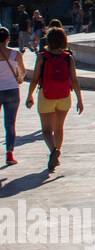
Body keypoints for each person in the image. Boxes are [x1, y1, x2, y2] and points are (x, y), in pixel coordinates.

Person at [26, 26, 83, 171]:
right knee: (59, 128)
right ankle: (57, 151)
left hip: (46, 96)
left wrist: (29, 95)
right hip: (64, 96)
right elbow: (74, 80)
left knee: (46, 130)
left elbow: (34, 79)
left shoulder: (42, 57)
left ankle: (53, 151)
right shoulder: (68, 57)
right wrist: (80, 100)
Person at [0, 27, 26, 166]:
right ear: (8, 38)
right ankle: (9, 154)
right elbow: (22, 72)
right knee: (10, 123)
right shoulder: (15, 54)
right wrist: (19, 78)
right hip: (11, 90)